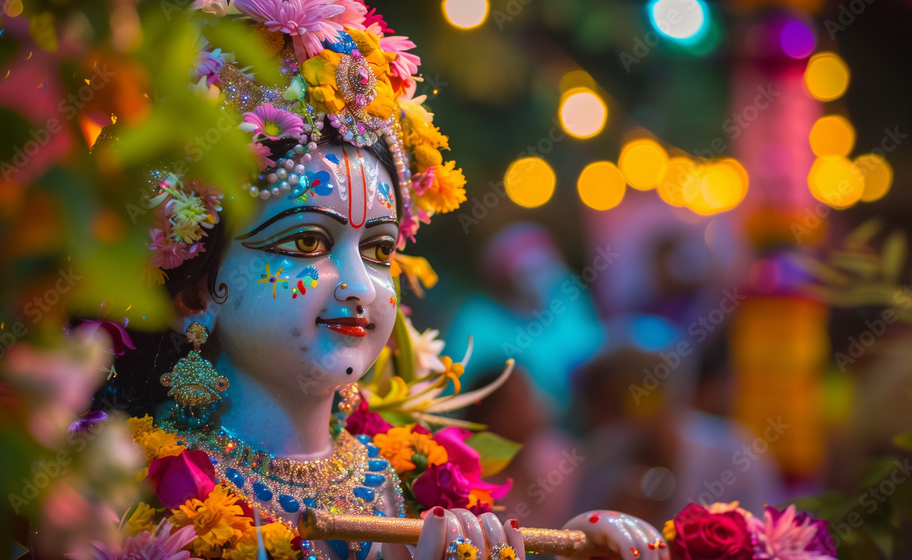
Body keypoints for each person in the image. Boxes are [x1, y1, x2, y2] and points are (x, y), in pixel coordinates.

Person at [87, 2, 669, 559]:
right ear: (194, 293)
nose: (361, 288)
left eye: (378, 250)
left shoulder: (414, 481)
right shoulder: (123, 494)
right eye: (307, 243)